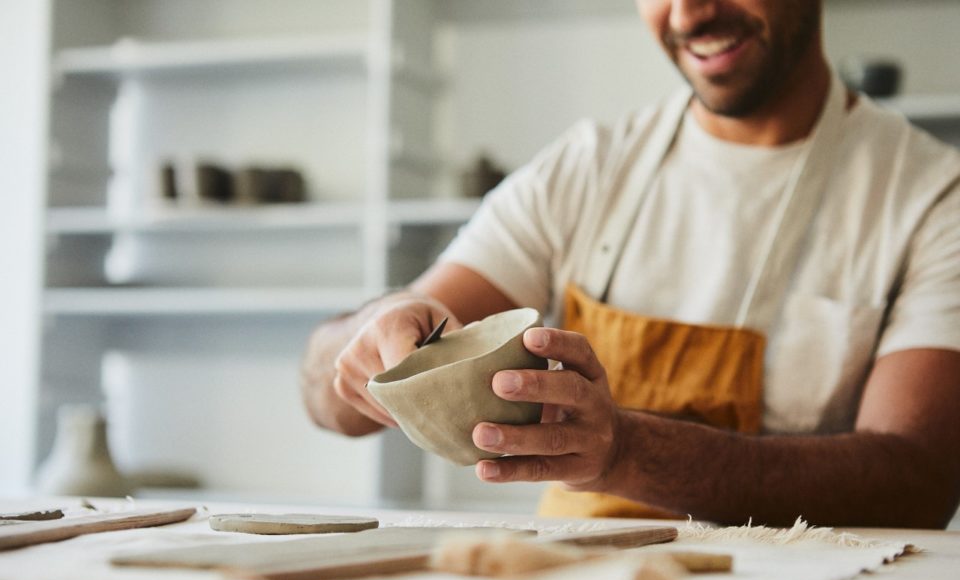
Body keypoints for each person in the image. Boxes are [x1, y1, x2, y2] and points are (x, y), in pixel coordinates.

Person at [301, 0, 960, 528]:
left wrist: (625, 452)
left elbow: (919, 480)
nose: (688, 14)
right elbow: (329, 399)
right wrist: (369, 340)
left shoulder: (930, 194)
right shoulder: (587, 168)